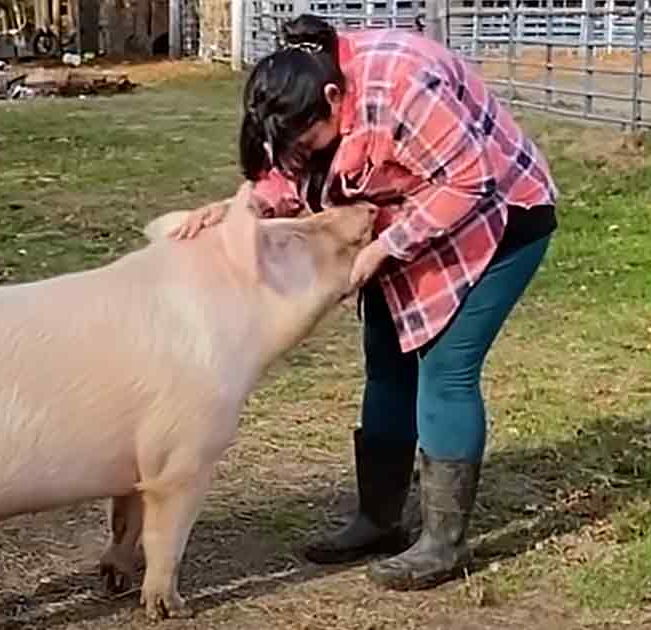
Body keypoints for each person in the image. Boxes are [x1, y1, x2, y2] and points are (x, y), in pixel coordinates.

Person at [170, 15, 559, 591]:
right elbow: (288, 174)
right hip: (403, 220)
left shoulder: (405, 81)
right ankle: (378, 520)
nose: (299, 153)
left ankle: (441, 545)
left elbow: (467, 180)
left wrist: (383, 249)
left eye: (305, 140)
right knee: (387, 364)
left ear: (333, 97)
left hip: (497, 218)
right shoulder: (302, 94)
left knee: (445, 370)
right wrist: (243, 209)